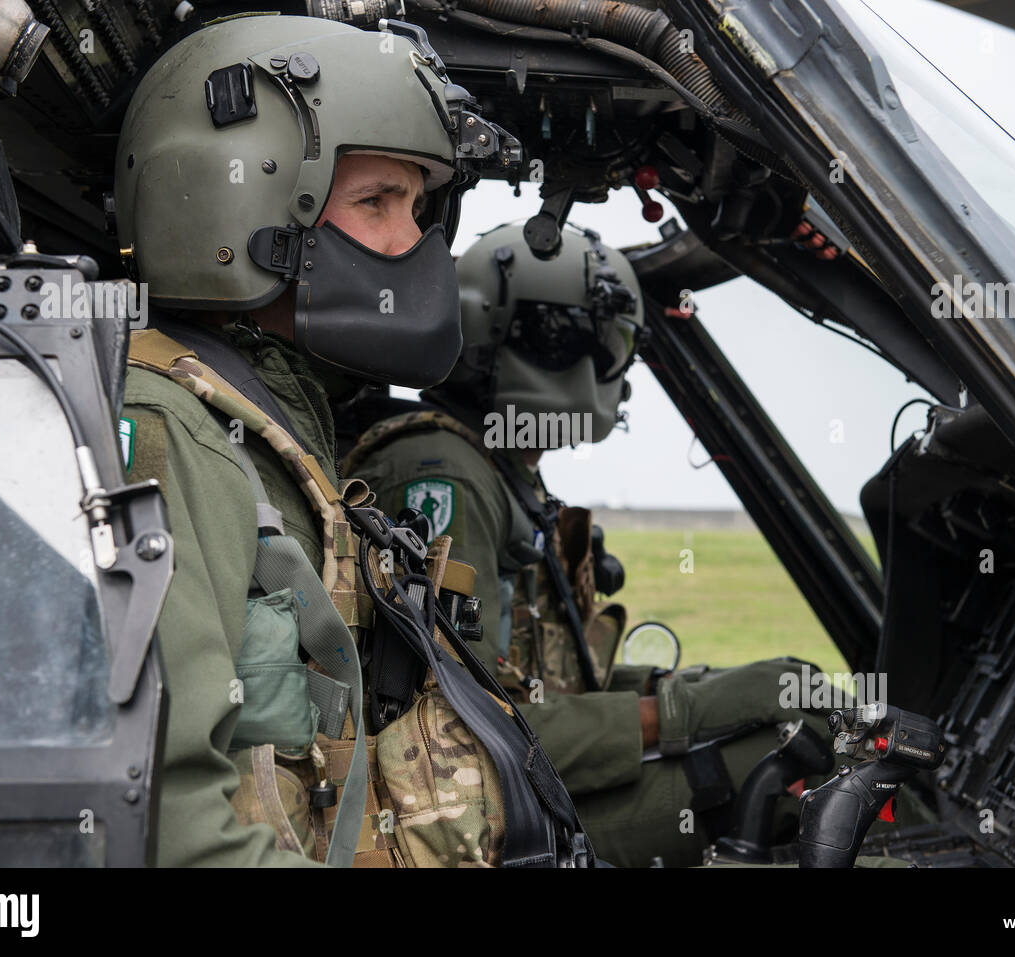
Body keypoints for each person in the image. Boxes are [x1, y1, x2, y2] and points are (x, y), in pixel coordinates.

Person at [114, 15, 586, 867]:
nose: (412, 242)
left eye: (418, 206)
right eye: (377, 202)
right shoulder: (170, 435)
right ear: (235, 202)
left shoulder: (273, 422)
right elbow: (170, 834)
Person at [347, 225, 840, 867]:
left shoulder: (500, 470)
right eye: (614, 348)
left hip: (520, 786)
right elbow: (465, 724)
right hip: (472, 820)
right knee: (778, 762)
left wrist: (686, 686)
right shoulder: (444, 474)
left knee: (788, 730)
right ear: (552, 342)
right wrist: (689, 710)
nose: (621, 379)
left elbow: (538, 683)